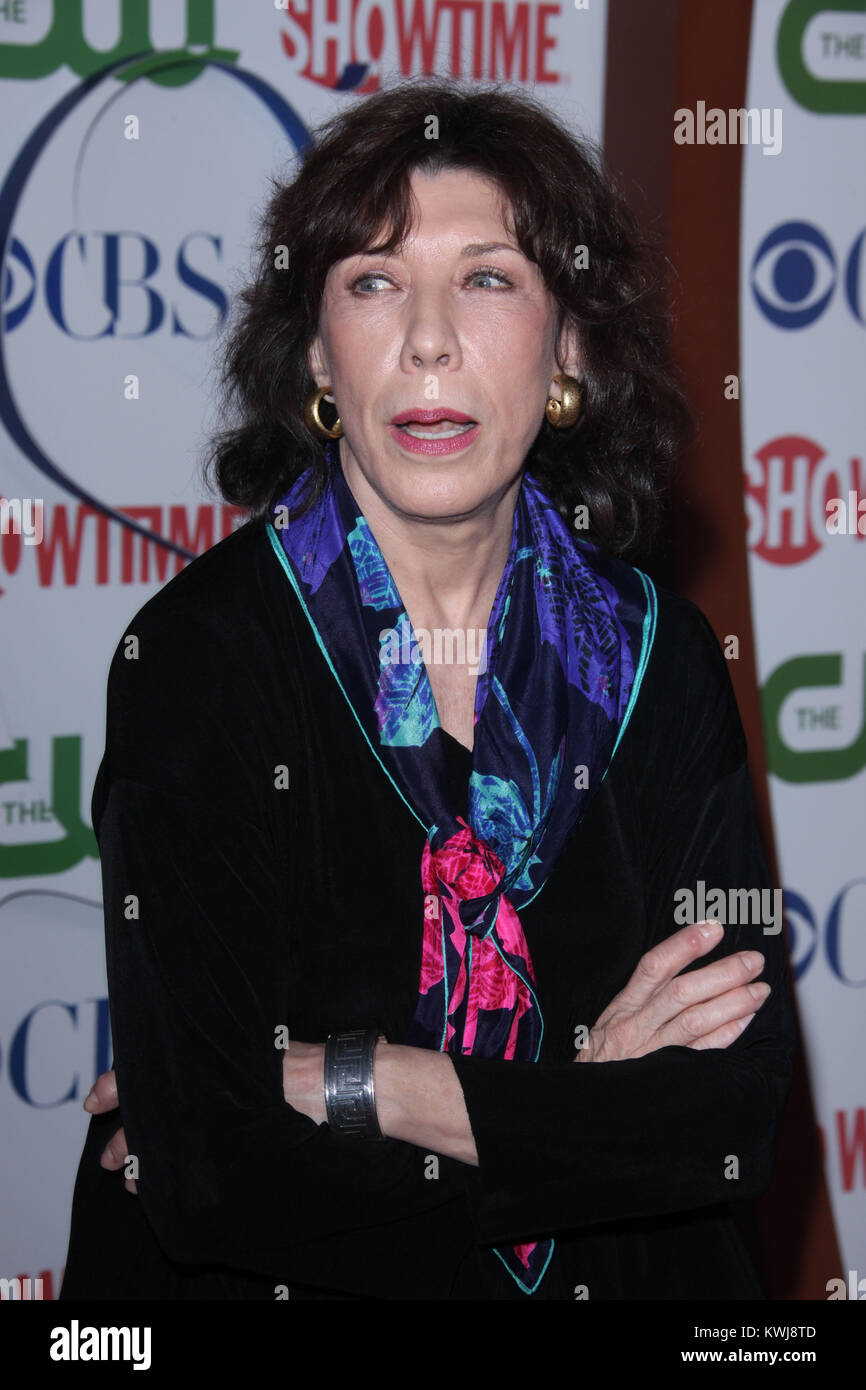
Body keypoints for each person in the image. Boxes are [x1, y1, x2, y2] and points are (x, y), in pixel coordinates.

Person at [59, 78, 795, 1301]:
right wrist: (587, 1106)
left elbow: (727, 1121)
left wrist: (367, 1082)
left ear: (567, 345)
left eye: (489, 277)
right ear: (314, 353)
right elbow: (214, 1176)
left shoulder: (657, 652)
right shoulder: (194, 663)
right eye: (373, 281)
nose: (429, 338)